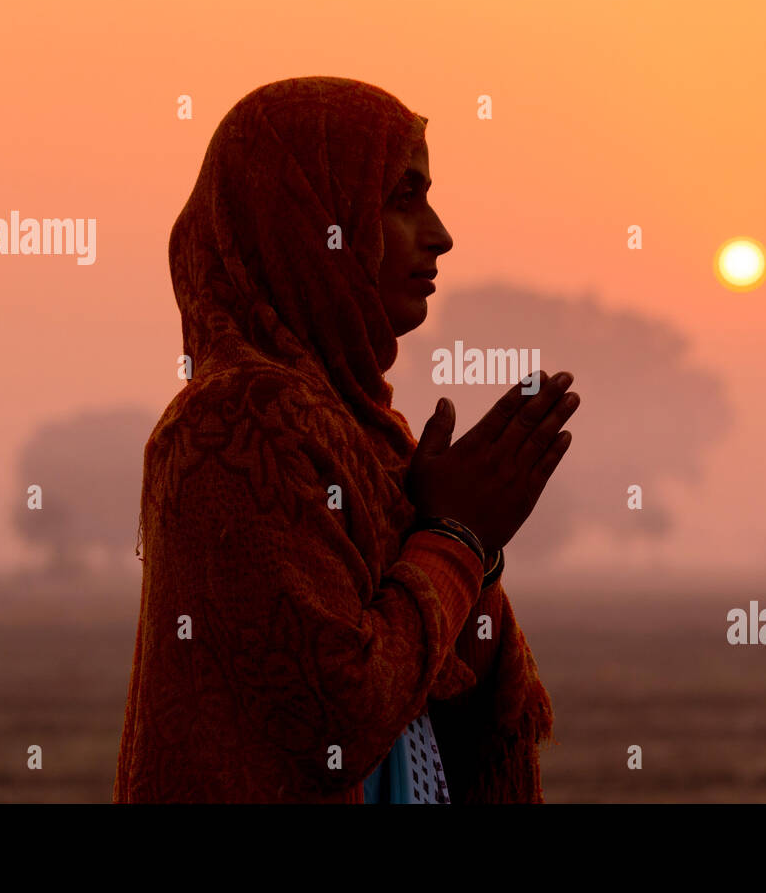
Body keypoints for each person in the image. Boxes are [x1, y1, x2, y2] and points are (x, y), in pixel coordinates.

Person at [113, 76, 579, 803]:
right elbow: (340, 715)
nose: (440, 234)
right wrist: (456, 538)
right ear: (304, 220)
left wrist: (473, 555)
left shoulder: (367, 438)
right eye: (403, 197)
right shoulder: (233, 424)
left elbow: (442, 701)